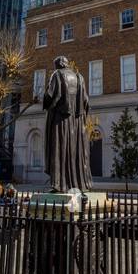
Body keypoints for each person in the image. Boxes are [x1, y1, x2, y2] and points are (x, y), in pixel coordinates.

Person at [42, 55, 92, 192]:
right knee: (76, 152)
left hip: (60, 120)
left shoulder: (57, 75)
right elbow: (86, 102)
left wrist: (44, 101)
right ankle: (80, 185)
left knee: (59, 150)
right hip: (77, 122)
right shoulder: (79, 77)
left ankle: (60, 185)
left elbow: (50, 96)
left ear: (59, 65)